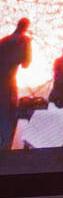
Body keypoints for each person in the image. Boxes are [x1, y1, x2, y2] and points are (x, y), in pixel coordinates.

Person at [0, 18, 31, 148]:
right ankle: (6, 150)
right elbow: (26, 63)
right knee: (9, 117)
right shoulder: (24, 41)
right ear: (25, 27)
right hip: (8, 85)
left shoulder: (3, 41)